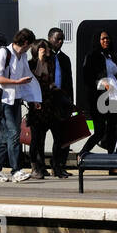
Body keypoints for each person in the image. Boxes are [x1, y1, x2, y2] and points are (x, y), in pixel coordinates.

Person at [0, 29, 40, 183]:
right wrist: (16, 82)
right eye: (30, 45)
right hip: (3, 101)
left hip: (15, 100)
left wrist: (34, 99)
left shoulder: (22, 56)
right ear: (25, 43)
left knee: (4, 138)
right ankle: (16, 170)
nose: (30, 49)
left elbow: (27, 77)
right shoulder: (4, 53)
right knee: (14, 134)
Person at [78, 30, 117, 172]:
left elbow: (115, 74)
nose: (105, 41)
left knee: (112, 130)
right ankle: (82, 155)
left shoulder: (111, 56)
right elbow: (87, 77)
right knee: (99, 131)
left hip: (113, 96)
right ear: (97, 40)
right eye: (103, 39)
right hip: (99, 97)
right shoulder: (91, 56)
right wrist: (102, 84)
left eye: (107, 38)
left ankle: (112, 166)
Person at [28, 39, 63, 179]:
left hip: (50, 104)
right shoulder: (31, 64)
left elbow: (52, 80)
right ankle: (36, 166)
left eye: (47, 48)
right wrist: (39, 60)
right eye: (43, 48)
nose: (46, 50)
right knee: (37, 138)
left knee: (58, 136)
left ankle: (56, 165)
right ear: (37, 49)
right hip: (37, 106)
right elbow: (31, 81)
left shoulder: (51, 63)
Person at [48, 27, 75, 178]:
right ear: (50, 38)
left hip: (63, 102)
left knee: (65, 137)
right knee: (56, 136)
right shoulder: (45, 56)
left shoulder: (64, 59)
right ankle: (50, 166)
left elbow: (69, 82)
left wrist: (71, 101)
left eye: (62, 39)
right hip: (49, 102)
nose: (60, 42)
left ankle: (60, 165)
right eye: (58, 39)